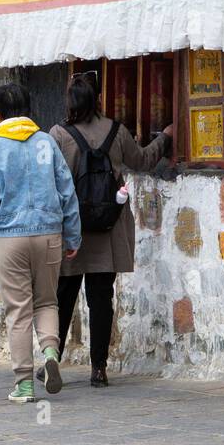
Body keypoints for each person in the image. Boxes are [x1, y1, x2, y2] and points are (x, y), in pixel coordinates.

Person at [48, 72, 173, 387]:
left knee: (64, 296)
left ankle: (52, 360)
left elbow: (47, 180)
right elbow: (143, 160)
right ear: (98, 99)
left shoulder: (58, 135)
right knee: (101, 298)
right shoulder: (117, 132)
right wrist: (166, 137)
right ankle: (99, 369)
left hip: (71, 228)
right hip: (109, 225)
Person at [0, 83, 81, 403]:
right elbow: (66, 192)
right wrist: (72, 234)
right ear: (30, 111)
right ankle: (50, 354)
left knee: (19, 310)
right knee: (47, 301)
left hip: (10, 237)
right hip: (49, 235)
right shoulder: (47, 143)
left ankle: (24, 384)